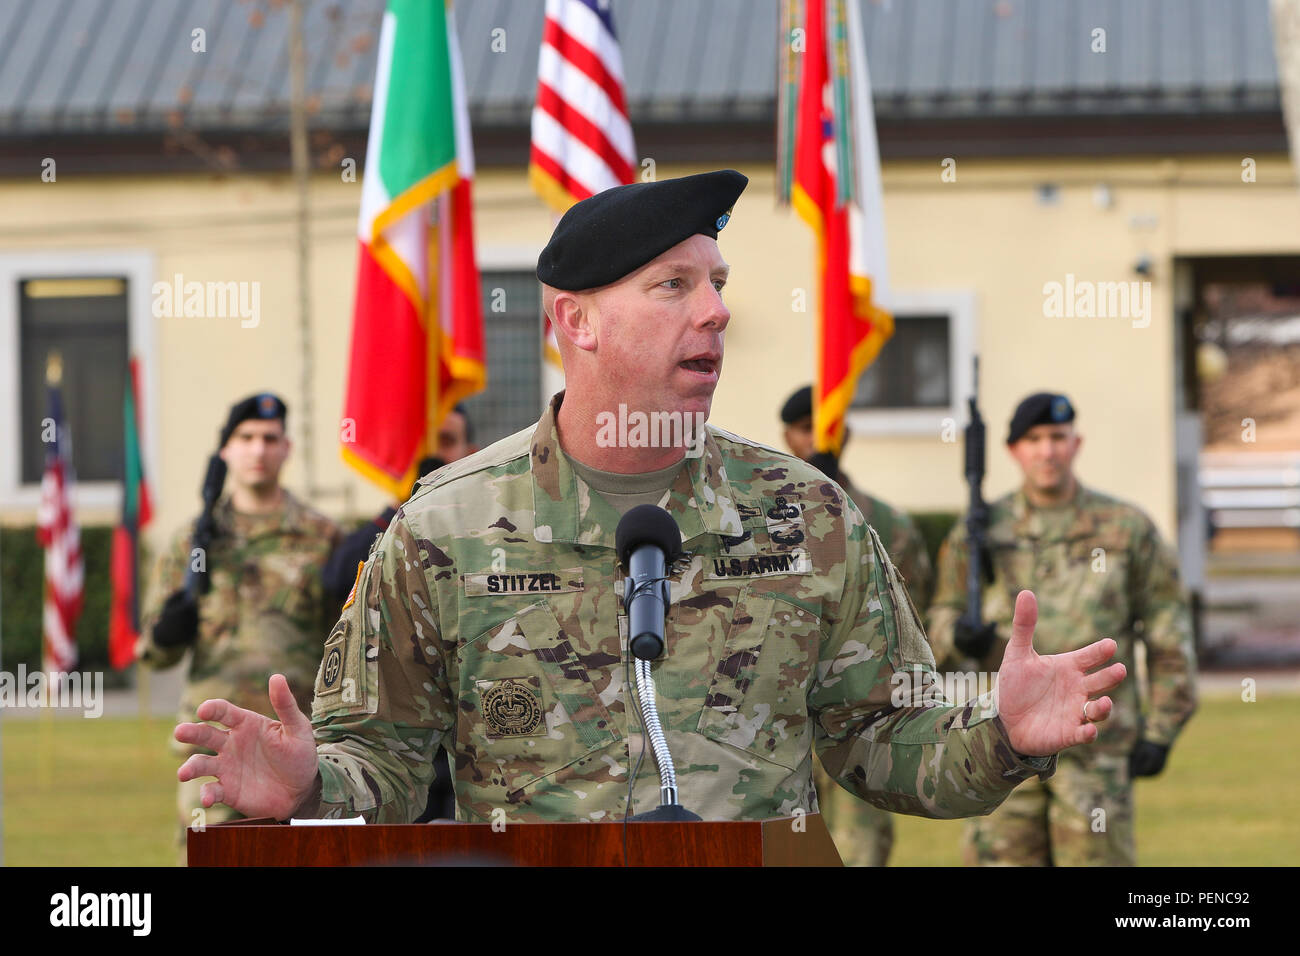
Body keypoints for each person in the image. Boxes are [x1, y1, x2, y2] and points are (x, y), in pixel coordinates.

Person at [176, 171, 1126, 832]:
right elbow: (379, 758)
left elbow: (881, 742)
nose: (714, 310)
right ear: (574, 322)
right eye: (673, 285)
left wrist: (1000, 735)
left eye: (717, 284)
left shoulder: (808, 516)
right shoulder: (445, 528)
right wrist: (310, 784)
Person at [926, 392, 1198, 866]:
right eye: (1034, 440)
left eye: (1057, 437)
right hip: (1001, 745)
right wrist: (958, 635)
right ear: (1014, 451)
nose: (1047, 450)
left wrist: (1161, 729)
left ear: (1077, 443)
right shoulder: (979, 531)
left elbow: (1168, 632)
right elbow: (936, 625)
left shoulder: (1126, 529)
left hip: (1096, 744)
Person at [140, 393, 340, 854]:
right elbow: (152, 651)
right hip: (215, 747)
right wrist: (168, 630)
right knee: (209, 859)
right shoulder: (194, 540)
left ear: (287, 448)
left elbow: (345, 644)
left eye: (270, 439)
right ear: (225, 450)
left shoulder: (321, 536)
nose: (258, 450)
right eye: (245, 438)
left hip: (299, 744)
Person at [779, 384, 934, 866]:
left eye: (828, 426)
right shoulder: (761, 518)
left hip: (857, 721)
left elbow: (914, 624)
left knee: (858, 853)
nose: (818, 438)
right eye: (807, 429)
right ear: (788, 436)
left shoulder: (885, 521)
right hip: (779, 729)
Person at [320, 405, 478, 822]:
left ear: (471, 450)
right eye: (418, 445)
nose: (433, 454)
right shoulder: (370, 539)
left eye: (446, 442)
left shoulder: (498, 537)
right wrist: (410, 521)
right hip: (400, 761)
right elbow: (337, 584)